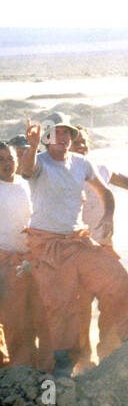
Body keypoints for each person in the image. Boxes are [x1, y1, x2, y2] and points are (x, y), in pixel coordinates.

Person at [17, 114, 128, 372]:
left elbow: (105, 191)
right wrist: (32, 145)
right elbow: (26, 171)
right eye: (57, 133)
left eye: (67, 133)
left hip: (78, 239)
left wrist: (108, 216)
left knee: (115, 275)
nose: (63, 138)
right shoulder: (39, 162)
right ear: (47, 137)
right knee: (60, 304)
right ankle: (61, 366)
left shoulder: (81, 163)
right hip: (47, 244)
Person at [69, 127, 128, 367]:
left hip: (103, 247)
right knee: (78, 309)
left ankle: (110, 357)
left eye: (84, 142)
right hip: (75, 250)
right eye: (76, 143)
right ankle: (81, 363)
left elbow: (119, 179)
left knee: (113, 301)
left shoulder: (97, 167)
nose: (81, 146)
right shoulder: (63, 171)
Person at [0, 139, 36, 367]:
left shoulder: (28, 186)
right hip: (4, 259)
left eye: (10, 159)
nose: (6, 164)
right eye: (0, 160)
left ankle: (24, 370)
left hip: (27, 260)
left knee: (24, 318)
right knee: (10, 318)